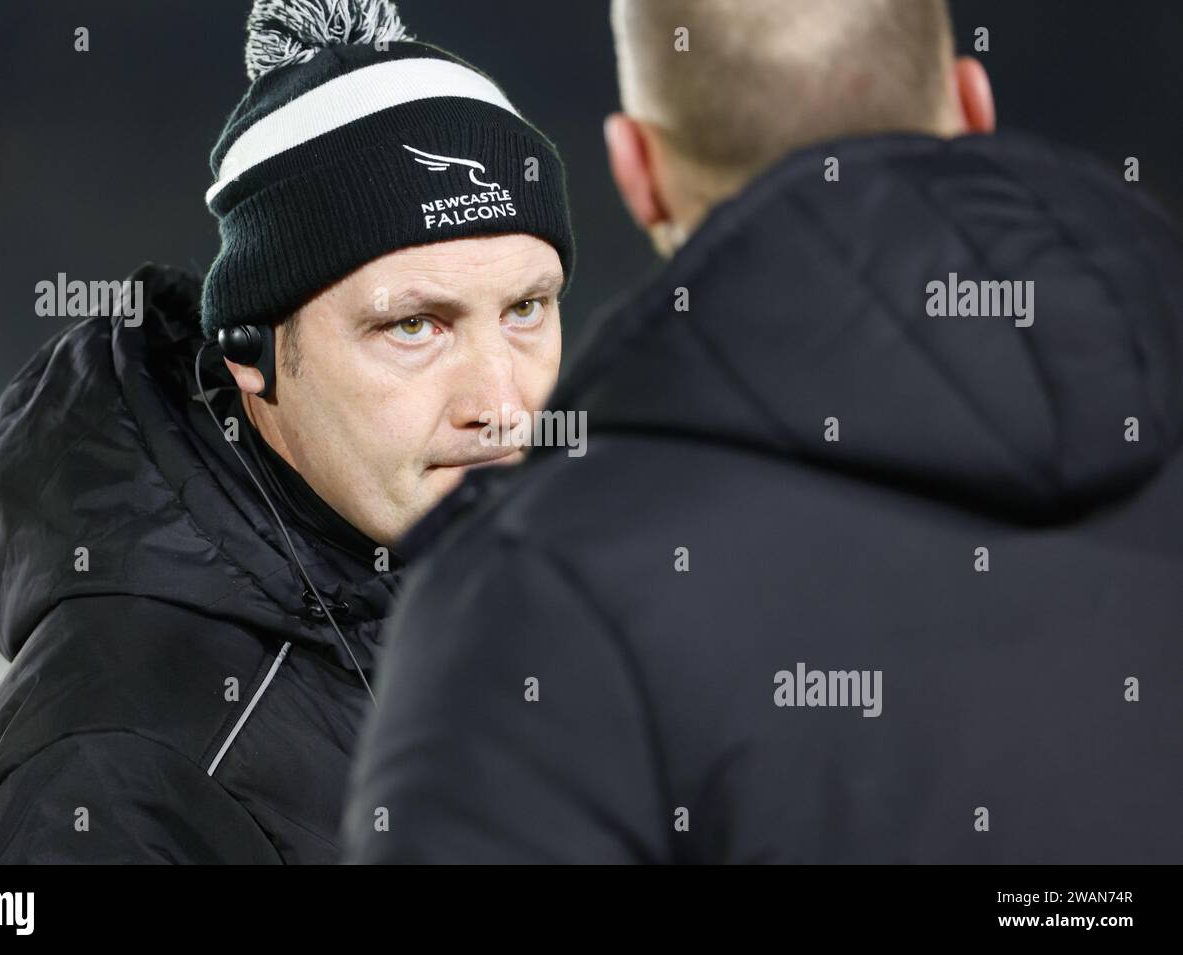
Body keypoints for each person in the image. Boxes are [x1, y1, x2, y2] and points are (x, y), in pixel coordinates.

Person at [343, 0, 1183, 863]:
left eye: (526, 308)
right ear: (972, 105)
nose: (494, 400)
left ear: (638, 171)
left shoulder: (529, 599)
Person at [0, 0, 573, 864]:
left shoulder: (480, 592)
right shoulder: (117, 765)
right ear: (252, 354)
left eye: (527, 308)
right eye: (414, 325)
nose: (502, 400)